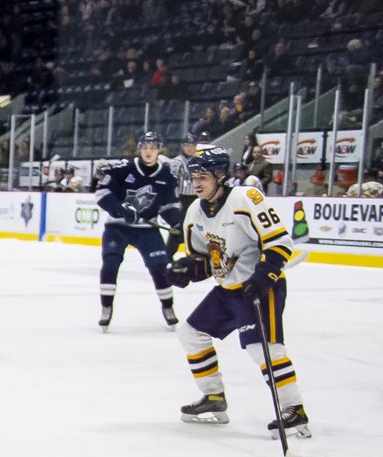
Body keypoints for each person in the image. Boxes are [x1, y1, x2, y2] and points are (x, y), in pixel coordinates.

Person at [167, 144, 309, 437]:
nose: (196, 183)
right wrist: (187, 270)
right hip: (227, 289)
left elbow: (281, 242)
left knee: (263, 348)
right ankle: (214, 399)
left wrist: (264, 275)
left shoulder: (246, 198)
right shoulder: (194, 210)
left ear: (220, 175)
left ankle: (294, 409)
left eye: (203, 176)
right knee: (191, 334)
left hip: (259, 287)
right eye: (193, 177)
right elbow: (207, 261)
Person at [95, 132, 182, 330]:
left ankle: (168, 307)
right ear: (139, 149)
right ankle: (106, 308)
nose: (148, 152)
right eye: (145, 148)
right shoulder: (124, 168)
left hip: (146, 229)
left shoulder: (166, 175)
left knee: (160, 267)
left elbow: (168, 206)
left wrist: (176, 223)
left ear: (159, 150)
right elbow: (102, 193)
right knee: (110, 262)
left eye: (153, 148)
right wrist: (120, 211)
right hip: (118, 227)